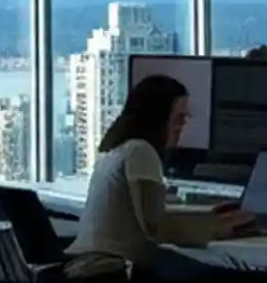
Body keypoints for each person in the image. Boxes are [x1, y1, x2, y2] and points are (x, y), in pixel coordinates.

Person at [63, 74, 257, 280]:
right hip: (109, 270)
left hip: (90, 265)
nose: (181, 127)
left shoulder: (119, 150)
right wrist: (219, 228)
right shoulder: (141, 151)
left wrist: (211, 219)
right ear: (159, 117)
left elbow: (148, 218)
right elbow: (155, 227)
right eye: (179, 118)